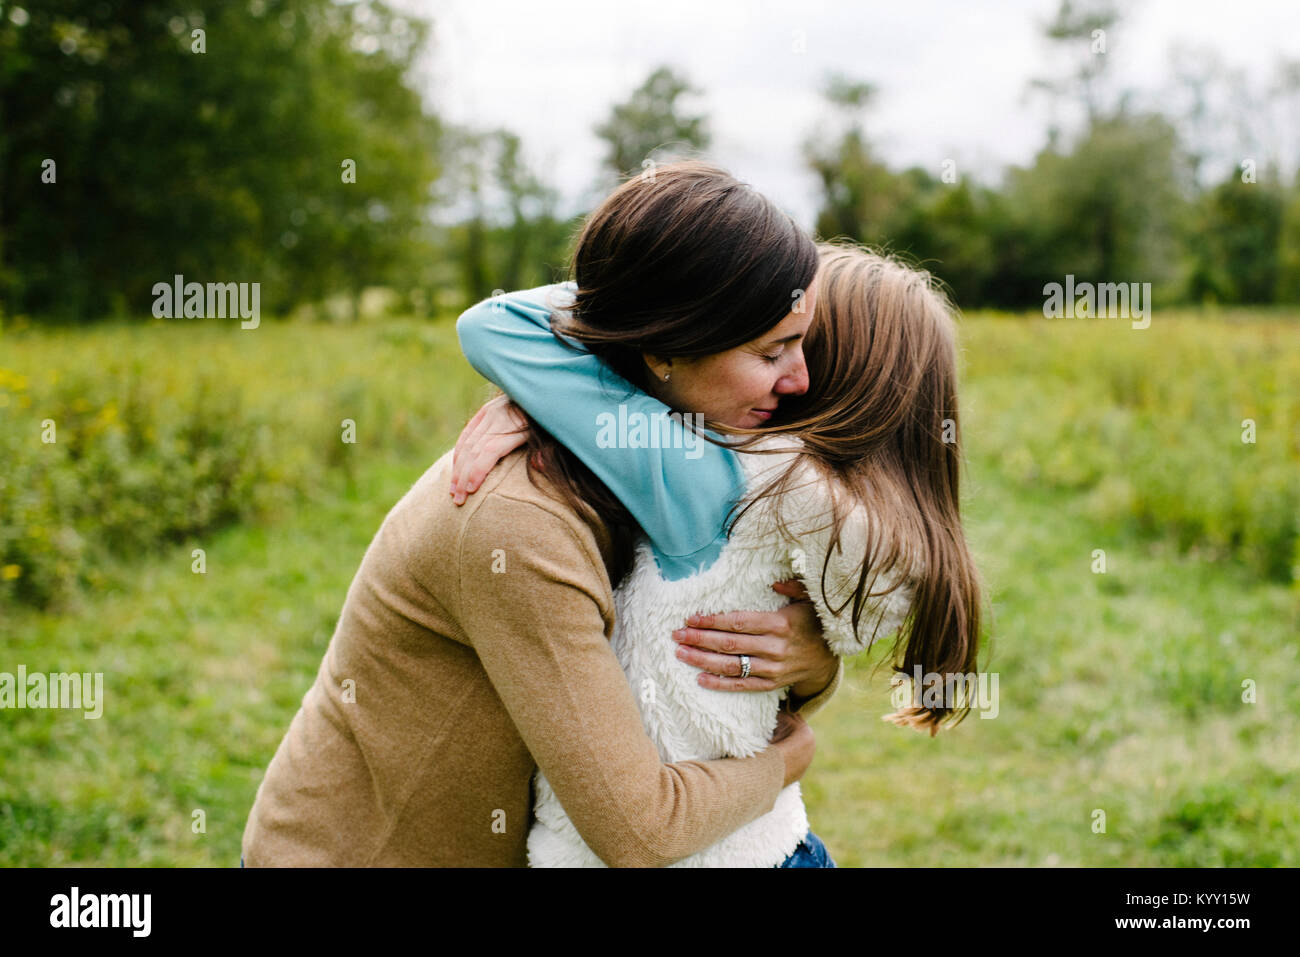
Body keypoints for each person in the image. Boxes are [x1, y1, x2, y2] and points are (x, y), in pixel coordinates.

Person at [240, 161, 841, 867]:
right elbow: (641, 830)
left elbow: (705, 673)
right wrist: (784, 760)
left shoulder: (678, 460)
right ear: (666, 344)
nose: (799, 378)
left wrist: (808, 656)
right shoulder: (520, 522)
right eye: (772, 351)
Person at [453, 241, 986, 867]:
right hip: (772, 845)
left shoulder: (726, 480)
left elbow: (495, 324)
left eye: (788, 339)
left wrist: (693, 294)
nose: (790, 369)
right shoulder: (850, 515)